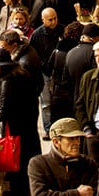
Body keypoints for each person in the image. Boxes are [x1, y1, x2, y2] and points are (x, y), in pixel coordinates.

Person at [0, 39, 42, 196]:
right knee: (24, 168)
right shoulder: (22, 74)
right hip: (28, 128)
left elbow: (4, 110)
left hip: (17, 132)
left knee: (17, 169)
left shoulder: (8, 81)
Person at [30, 7, 64, 138]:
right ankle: (48, 129)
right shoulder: (37, 35)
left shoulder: (62, 30)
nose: (53, 22)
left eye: (55, 18)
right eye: (50, 20)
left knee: (59, 101)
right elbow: (33, 55)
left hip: (60, 71)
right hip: (44, 72)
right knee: (46, 103)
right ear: (43, 20)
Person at [46, 21, 83, 125]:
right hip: (73, 93)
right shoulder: (78, 53)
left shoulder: (57, 51)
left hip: (58, 92)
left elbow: (48, 69)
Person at [64, 22, 99, 115]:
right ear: (94, 38)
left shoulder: (70, 52)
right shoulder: (94, 53)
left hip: (74, 99)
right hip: (90, 101)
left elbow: (65, 79)